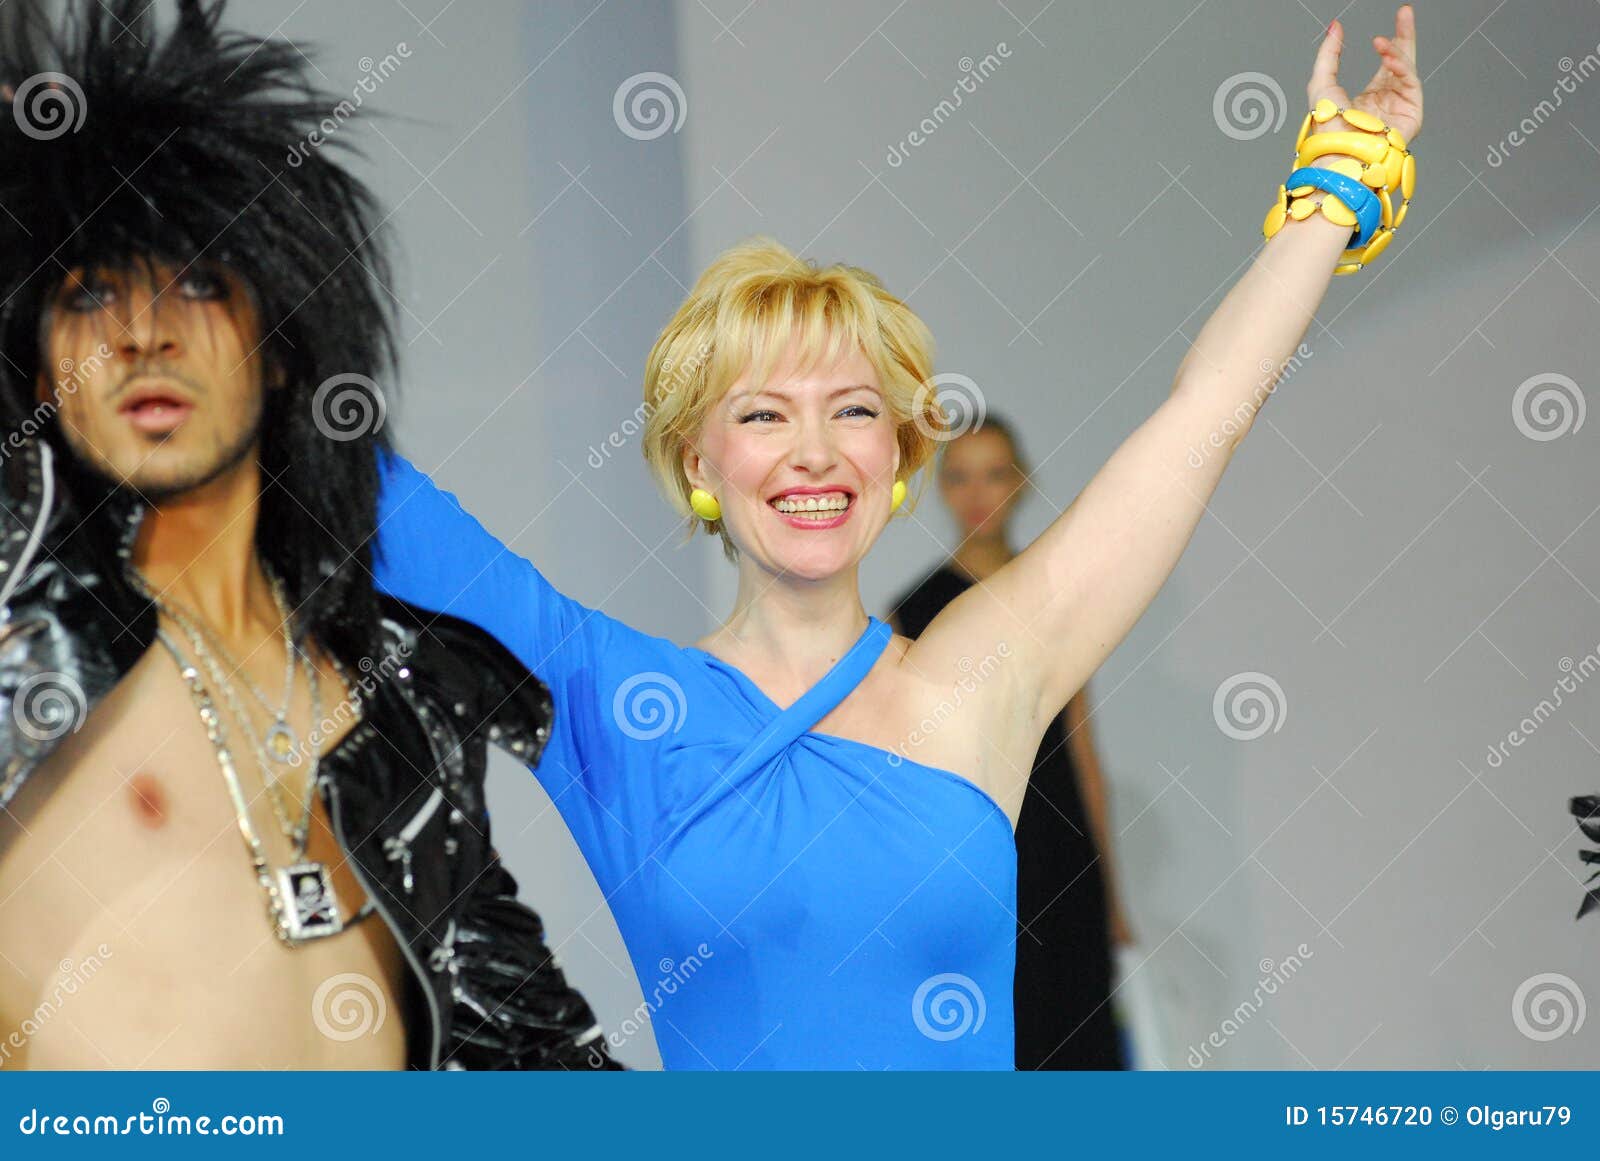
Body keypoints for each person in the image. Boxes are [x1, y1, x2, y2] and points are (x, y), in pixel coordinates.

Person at [372, 10, 1423, 1069]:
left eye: (855, 411)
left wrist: (1336, 189)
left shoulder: (983, 676)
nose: (815, 452)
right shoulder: (608, 699)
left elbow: (1203, 415)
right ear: (699, 462)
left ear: (900, 455)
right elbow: (361, 499)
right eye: (763, 414)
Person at [0, 0, 616, 1070]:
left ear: (283, 345)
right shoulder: (17, 644)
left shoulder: (405, 707)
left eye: (199, 284)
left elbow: (540, 1064)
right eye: (92, 294)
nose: (143, 332)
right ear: (44, 368)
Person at [888, 416, 1132, 1069]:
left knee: (1079, 1034)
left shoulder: (1055, 601)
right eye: (961, 476)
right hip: (975, 852)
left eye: (994, 473)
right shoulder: (913, 610)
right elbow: (906, 763)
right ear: (941, 488)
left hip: (1059, 844)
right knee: (1000, 1036)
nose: (978, 493)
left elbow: (1080, 746)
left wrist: (1110, 889)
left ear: (1021, 483)